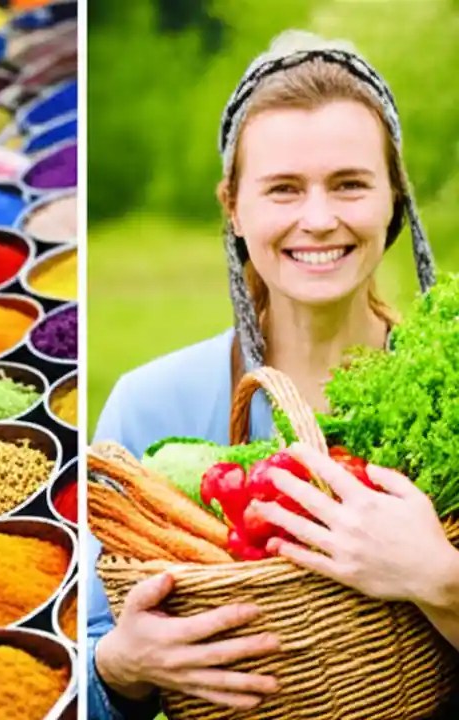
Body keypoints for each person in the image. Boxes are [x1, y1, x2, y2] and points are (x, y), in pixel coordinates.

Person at [85, 31, 459, 719]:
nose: (318, 220)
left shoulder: (448, 399)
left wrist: (441, 582)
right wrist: (121, 666)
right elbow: (76, 665)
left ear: (394, 198)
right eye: (283, 189)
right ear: (233, 207)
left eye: (349, 184)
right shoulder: (151, 407)